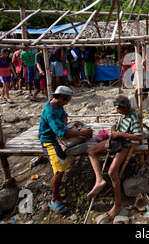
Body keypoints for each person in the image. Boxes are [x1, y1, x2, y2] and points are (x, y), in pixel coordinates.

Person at [86, 95, 143, 219]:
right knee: (91, 151)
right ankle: (99, 180)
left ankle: (118, 204)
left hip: (124, 146)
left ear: (126, 108)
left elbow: (139, 137)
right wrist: (113, 131)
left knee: (112, 172)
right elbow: (116, 124)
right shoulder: (123, 114)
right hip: (115, 141)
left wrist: (121, 134)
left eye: (119, 109)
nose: (117, 111)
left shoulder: (133, 117)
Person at [39, 86, 93, 214]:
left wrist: (72, 128)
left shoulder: (58, 105)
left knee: (63, 165)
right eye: (66, 100)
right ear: (61, 97)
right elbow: (61, 132)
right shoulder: (50, 111)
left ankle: (57, 193)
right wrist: (81, 134)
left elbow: (64, 117)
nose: (66, 103)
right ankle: (54, 199)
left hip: (58, 137)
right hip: (50, 140)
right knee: (58, 170)